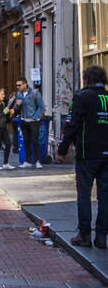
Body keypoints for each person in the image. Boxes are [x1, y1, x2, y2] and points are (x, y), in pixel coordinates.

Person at [57, 64, 108, 249]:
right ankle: (102, 237)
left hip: (87, 153)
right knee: (105, 196)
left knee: (84, 195)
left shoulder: (82, 97)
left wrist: (63, 149)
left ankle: (85, 235)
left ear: (86, 79)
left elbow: (73, 125)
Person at [9, 77, 45, 168]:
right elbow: (17, 109)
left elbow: (41, 107)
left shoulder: (35, 93)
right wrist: (17, 105)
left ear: (25, 84)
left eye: (19, 85)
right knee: (26, 141)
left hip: (33, 122)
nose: (17, 87)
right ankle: (27, 161)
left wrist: (35, 117)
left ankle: (37, 161)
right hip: (23, 121)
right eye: (17, 85)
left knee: (35, 141)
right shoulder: (19, 95)